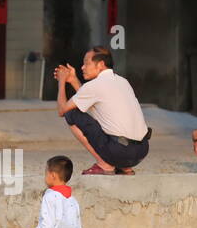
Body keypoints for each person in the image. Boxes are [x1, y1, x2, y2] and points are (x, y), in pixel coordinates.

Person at [53, 46, 152, 175]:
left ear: (100, 64)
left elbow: (62, 110)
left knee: (71, 114)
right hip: (141, 151)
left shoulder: (94, 86)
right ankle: (124, 168)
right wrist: (73, 80)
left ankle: (104, 164)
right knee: (104, 121)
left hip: (120, 152)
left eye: (86, 63)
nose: (82, 67)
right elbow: (89, 98)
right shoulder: (123, 81)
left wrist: (61, 82)